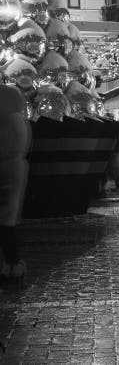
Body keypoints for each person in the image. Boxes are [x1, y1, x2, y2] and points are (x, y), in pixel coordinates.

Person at [0, 86, 32, 284]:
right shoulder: (19, 121)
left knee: (5, 226)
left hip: (6, 174)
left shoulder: (8, 122)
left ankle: (12, 265)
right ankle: (13, 265)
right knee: (6, 226)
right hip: (13, 172)